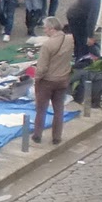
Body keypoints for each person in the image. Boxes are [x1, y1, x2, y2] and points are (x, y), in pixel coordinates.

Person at [32, 17, 73, 145]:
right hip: (63, 79)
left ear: (51, 28)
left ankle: (37, 135)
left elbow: (42, 67)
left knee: (41, 109)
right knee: (59, 109)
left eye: (45, 28)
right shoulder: (70, 40)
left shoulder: (47, 45)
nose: (44, 31)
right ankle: (56, 137)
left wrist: (36, 79)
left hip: (47, 81)